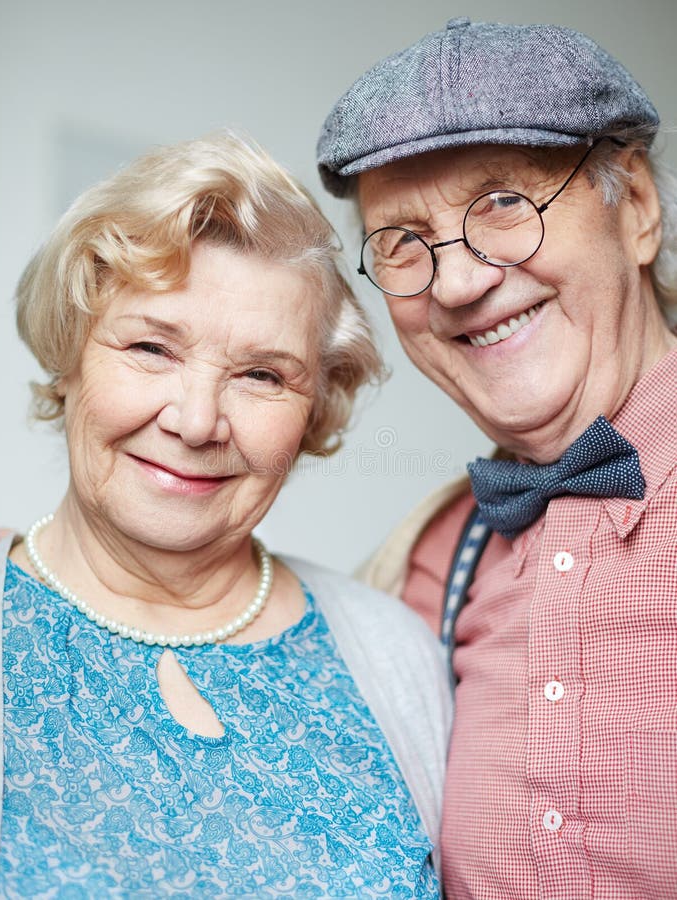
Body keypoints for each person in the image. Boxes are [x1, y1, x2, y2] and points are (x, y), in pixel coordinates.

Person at [0, 132, 450, 897]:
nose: (197, 421)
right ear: (69, 356)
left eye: (261, 374)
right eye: (151, 348)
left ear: (315, 410)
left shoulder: (393, 654)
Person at [316, 16, 677, 900]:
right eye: (402, 239)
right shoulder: (428, 562)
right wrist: (61, 576)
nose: (456, 282)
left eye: (503, 202)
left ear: (632, 207)